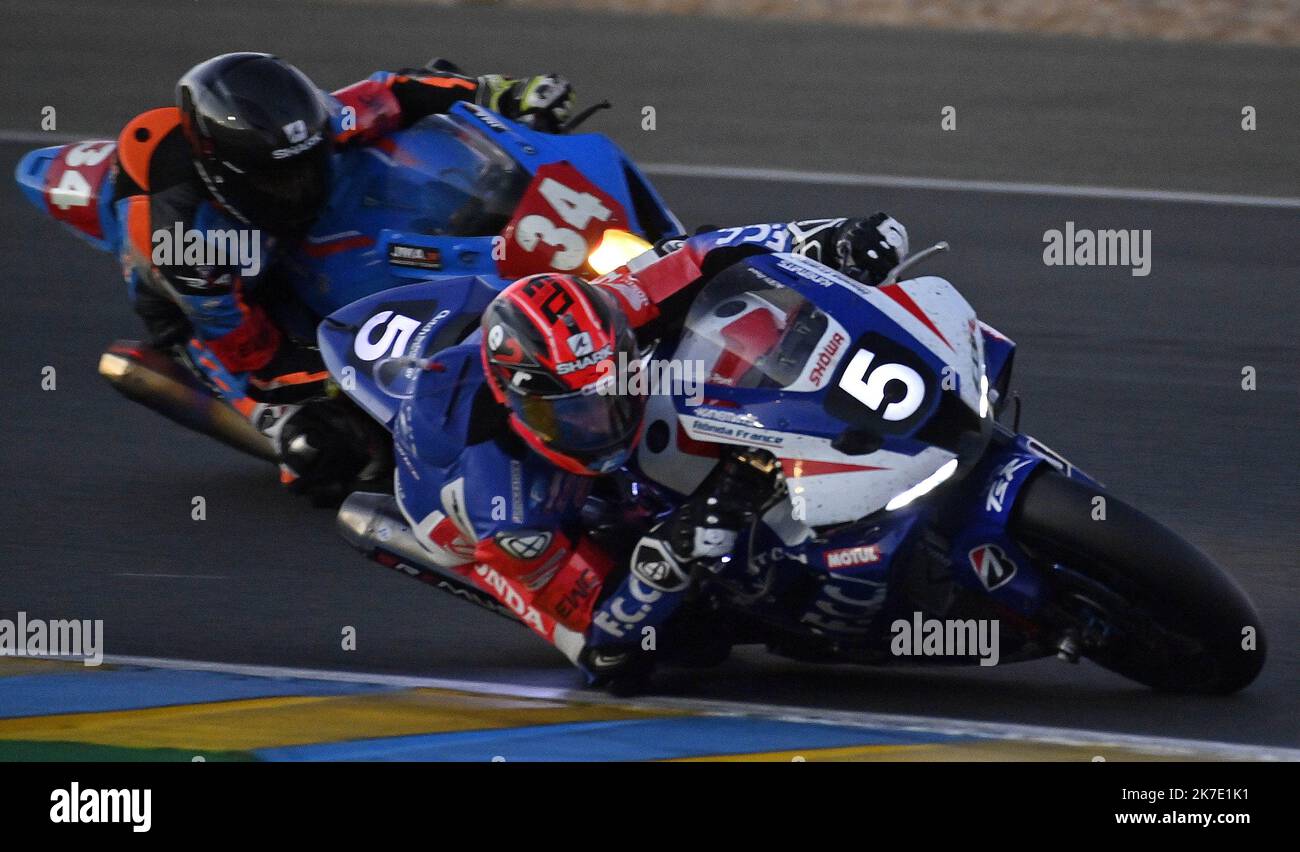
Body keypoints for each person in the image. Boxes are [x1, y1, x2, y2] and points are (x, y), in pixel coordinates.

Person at [390, 214, 909, 685]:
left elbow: (707, 251)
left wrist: (832, 238)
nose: (603, 419)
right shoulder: (506, 508)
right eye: (574, 413)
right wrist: (676, 547)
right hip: (469, 516)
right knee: (686, 642)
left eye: (613, 390)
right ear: (521, 405)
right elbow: (605, 641)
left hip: (546, 369)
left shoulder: (610, 312)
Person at [111, 52, 575, 494]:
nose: (304, 186)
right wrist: (343, 379)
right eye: (283, 179)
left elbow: (397, 91)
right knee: (324, 447)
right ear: (223, 175)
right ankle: (280, 425)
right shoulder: (190, 250)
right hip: (209, 312)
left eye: (309, 165)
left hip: (277, 232)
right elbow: (259, 363)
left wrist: (506, 95)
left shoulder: (320, 127)